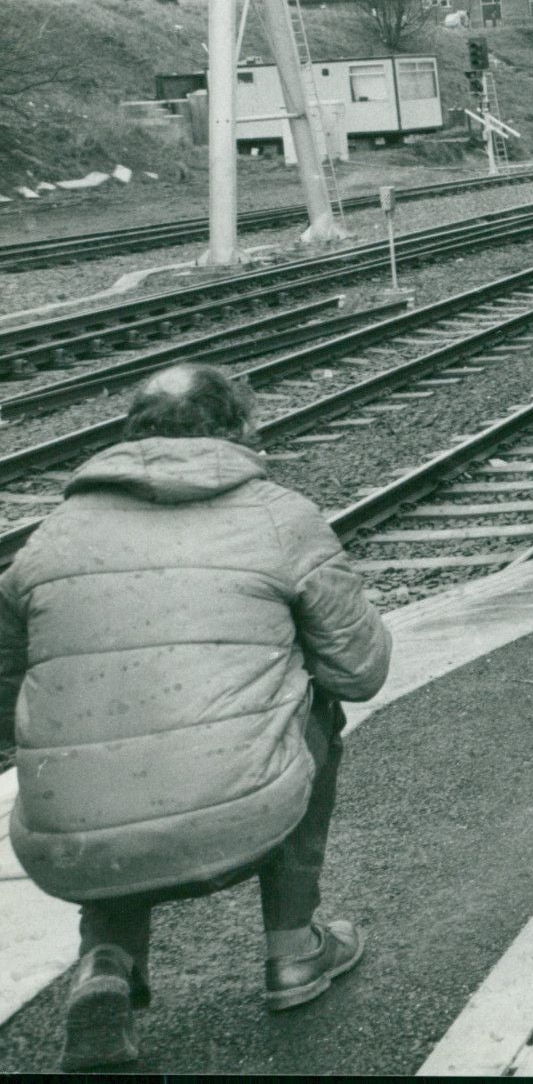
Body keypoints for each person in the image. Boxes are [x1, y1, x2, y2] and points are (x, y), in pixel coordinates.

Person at [0, 363, 391, 1072]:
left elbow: (5, 695)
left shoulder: (50, 536)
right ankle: (293, 949)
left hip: (69, 843)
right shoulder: (279, 515)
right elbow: (358, 671)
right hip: (242, 814)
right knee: (314, 701)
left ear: (132, 434)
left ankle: (106, 963)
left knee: (95, 736)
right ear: (241, 431)